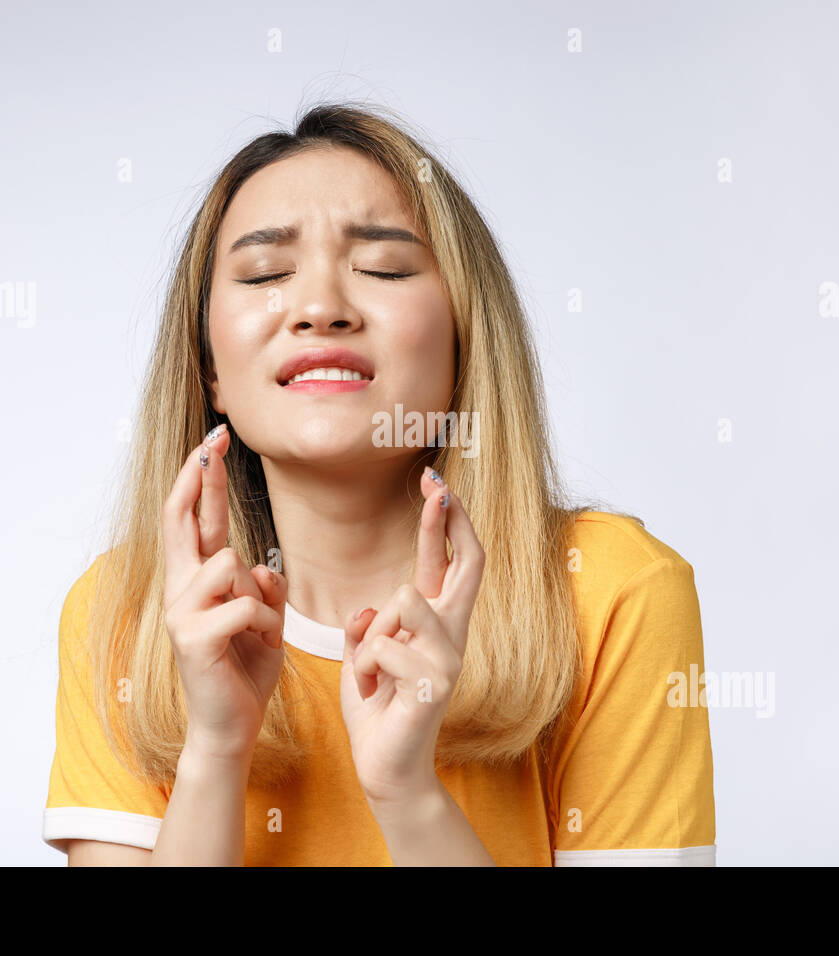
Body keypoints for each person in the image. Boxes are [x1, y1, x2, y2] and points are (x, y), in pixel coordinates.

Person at [42, 102, 717, 865]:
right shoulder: (124, 613)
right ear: (209, 368)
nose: (321, 309)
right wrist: (213, 752)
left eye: (383, 269)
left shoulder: (612, 591)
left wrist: (407, 791)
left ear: (466, 335)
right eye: (265, 274)